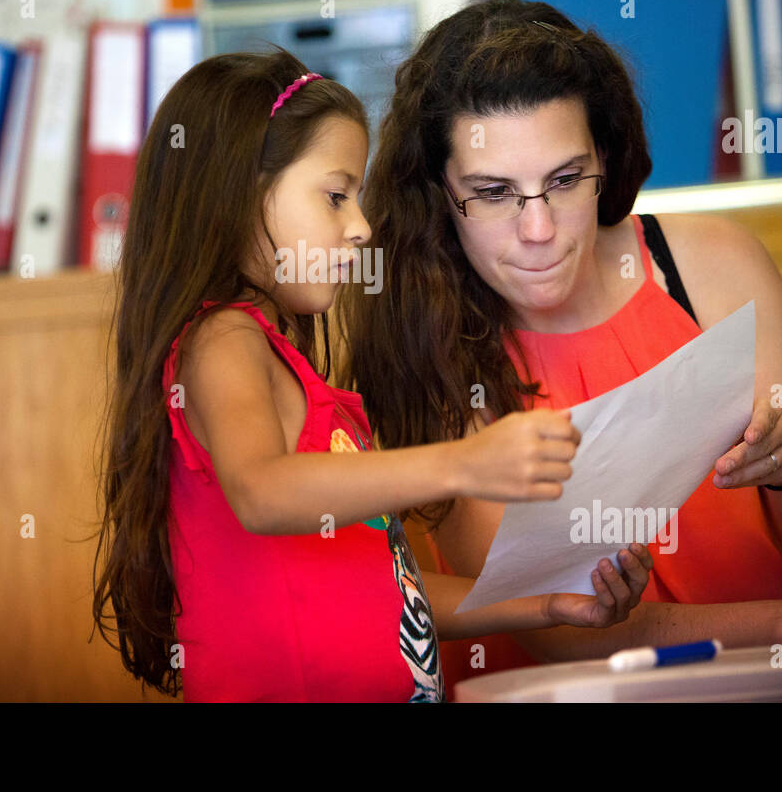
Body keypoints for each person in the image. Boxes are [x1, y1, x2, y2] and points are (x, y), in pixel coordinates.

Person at [340, 0, 782, 700]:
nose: (539, 230)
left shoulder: (710, 263)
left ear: (606, 157)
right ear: (437, 193)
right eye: (494, 193)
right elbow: (554, 629)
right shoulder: (424, 331)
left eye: (565, 180)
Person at [91, 48, 653, 702]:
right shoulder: (222, 339)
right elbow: (262, 491)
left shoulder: (286, 367)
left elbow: (394, 594)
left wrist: (545, 602)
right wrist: (464, 463)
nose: (359, 228)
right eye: (335, 196)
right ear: (239, 193)